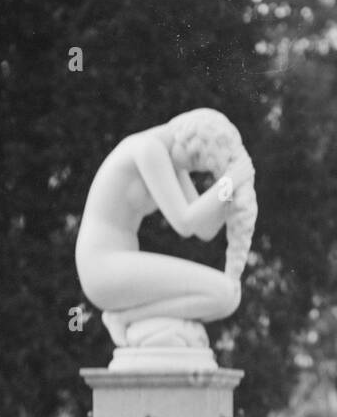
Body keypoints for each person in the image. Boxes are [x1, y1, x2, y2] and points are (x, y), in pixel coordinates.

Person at [75, 108, 257, 348]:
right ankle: (122, 318)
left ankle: (124, 318)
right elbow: (184, 222)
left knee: (228, 296)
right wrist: (230, 180)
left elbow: (204, 230)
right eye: (194, 158)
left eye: (196, 166)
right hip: (101, 265)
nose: (189, 168)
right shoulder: (148, 149)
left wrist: (228, 194)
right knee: (223, 291)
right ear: (187, 135)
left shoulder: (172, 156)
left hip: (120, 263)